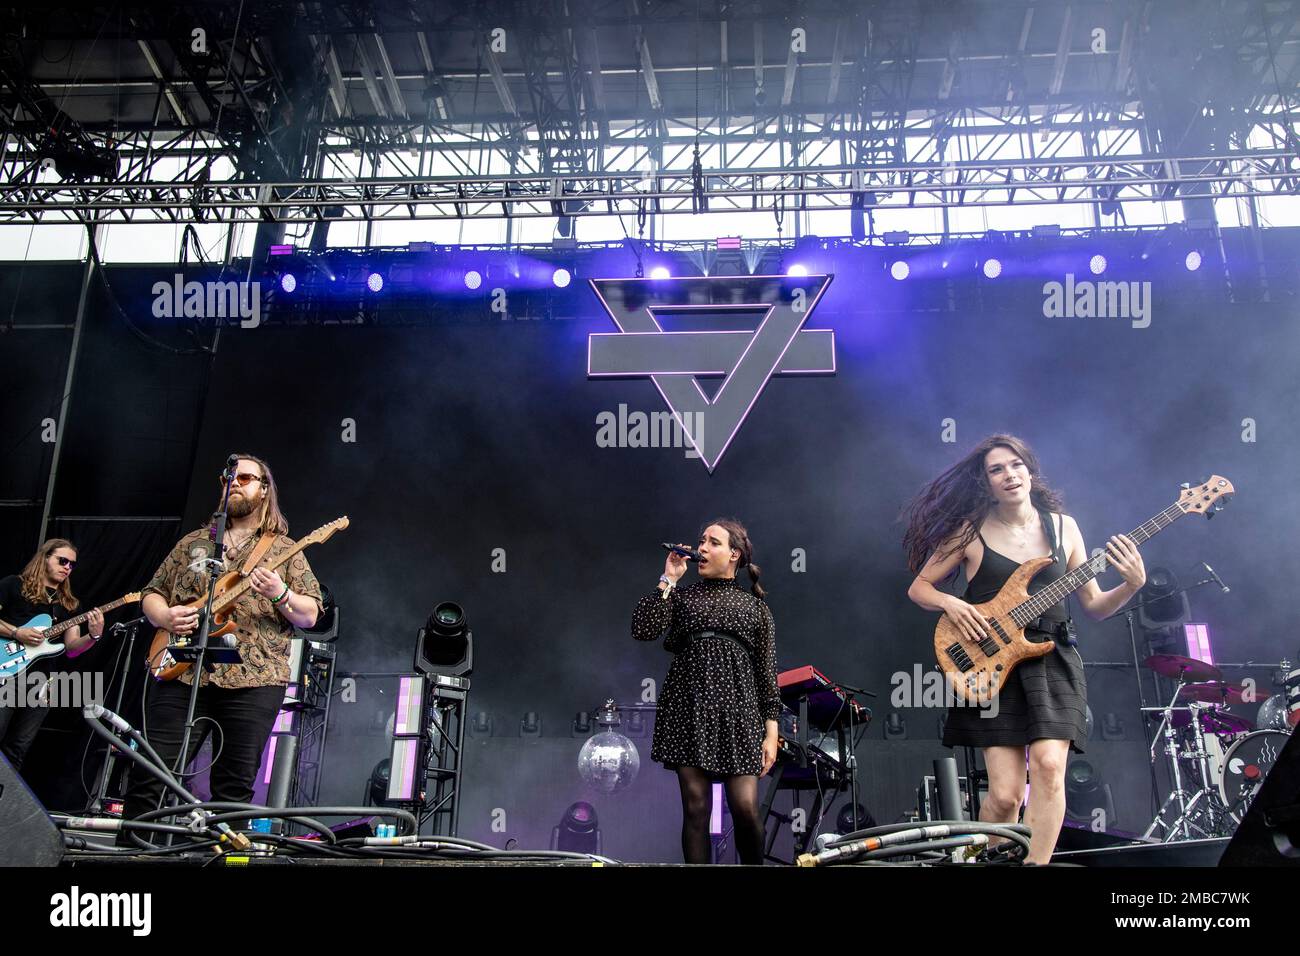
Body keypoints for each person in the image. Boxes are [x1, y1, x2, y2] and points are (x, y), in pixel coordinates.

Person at [903, 434, 1146, 864]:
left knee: (1050, 768)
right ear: (986, 482)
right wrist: (952, 602)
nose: (1009, 475)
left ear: (1030, 471)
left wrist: (1131, 585)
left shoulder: (1063, 527)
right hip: (989, 662)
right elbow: (920, 587)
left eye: (1016, 465)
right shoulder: (969, 531)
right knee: (1004, 796)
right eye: (997, 469)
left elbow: (1093, 606)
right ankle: (988, 862)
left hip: (1052, 657)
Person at [122, 454, 321, 833]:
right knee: (151, 775)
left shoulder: (284, 549)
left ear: (264, 490)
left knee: (232, 788)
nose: (234, 483)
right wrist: (164, 617)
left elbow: (310, 614)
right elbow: (152, 593)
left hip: (254, 680)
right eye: (229, 477)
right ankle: (135, 854)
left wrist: (281, 594)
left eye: (245, 478)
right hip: (181, 669)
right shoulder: (194, 543)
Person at [631, 519, 779, 864]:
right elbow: (643, 628)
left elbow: (766, 674)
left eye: (713, 543)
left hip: (739, 712)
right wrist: (669, 578)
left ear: (733, 554)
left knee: (745, 809)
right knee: (696, 807)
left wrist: (771, 732)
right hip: (689, 706)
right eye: (701, 542)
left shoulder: (756, 608)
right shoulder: (682, 596)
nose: (701, 549)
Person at [0, 539, 102, 771]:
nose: (67, 567)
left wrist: (93, 636)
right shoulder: (12, 585)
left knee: (18, 748)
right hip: (5, 673)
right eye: (62, 560)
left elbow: (73, 648)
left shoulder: (68, 604)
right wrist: (17, 632)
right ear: (45, 557)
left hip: (41, 683)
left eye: (72, 564)